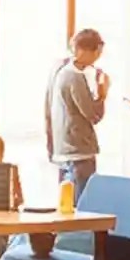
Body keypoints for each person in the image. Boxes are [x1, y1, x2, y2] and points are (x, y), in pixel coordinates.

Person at [46, 28, 110, 204]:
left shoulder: (59, 70)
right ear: (86, 50)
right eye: (97, 52)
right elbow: (93, 115)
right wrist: (102, 92)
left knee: (67, 206)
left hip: (63, 151)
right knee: (81, 209)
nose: (97, 57)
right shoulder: (74, 76)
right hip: (79, 153)